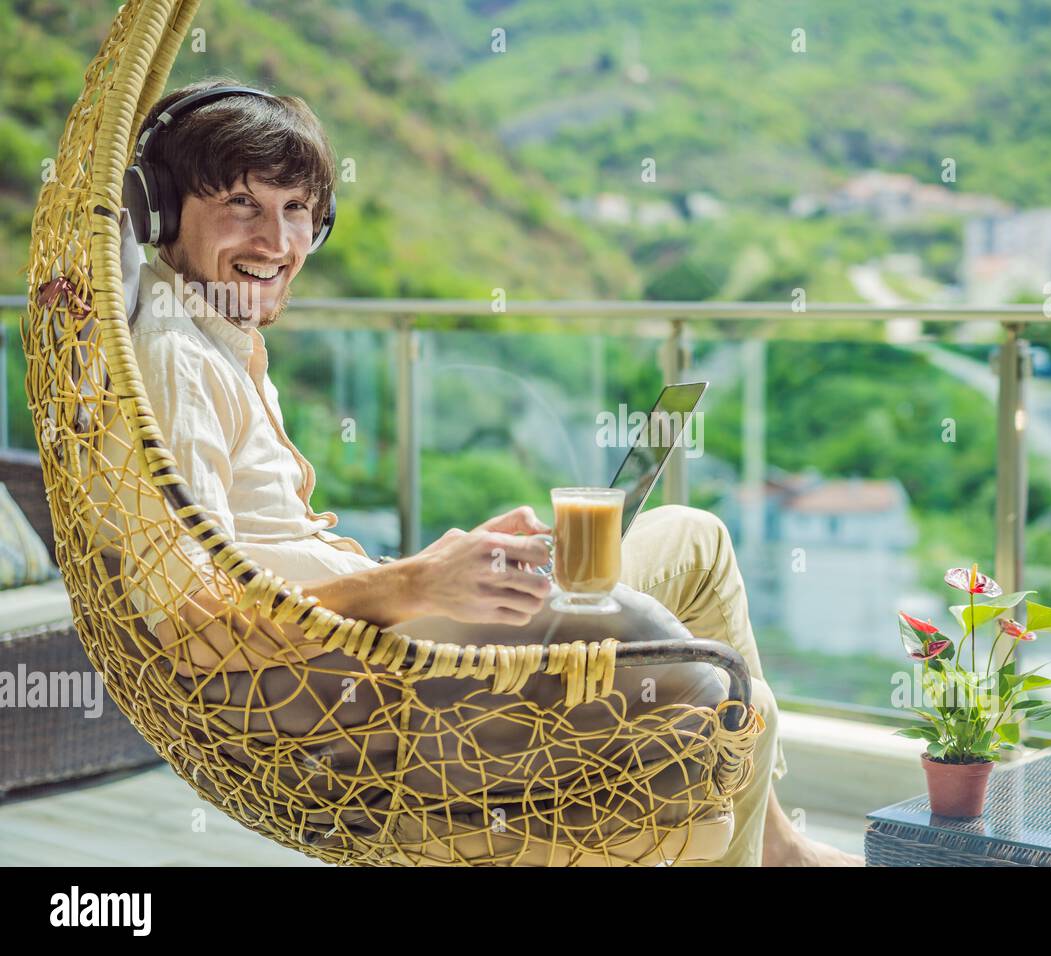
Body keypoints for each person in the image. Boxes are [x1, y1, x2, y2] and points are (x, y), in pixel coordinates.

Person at [125, 77, 859, 867]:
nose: (278, 242)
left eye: (297, 209)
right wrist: (413, 584)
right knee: (725, 695)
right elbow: (192, 628)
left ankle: (776, 849)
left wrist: (438, 570)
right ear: (162, 212)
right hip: (348, 692)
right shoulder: (174, 360)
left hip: (371, 634)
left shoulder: (215, 335)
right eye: (242, 203)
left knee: (693, 538)